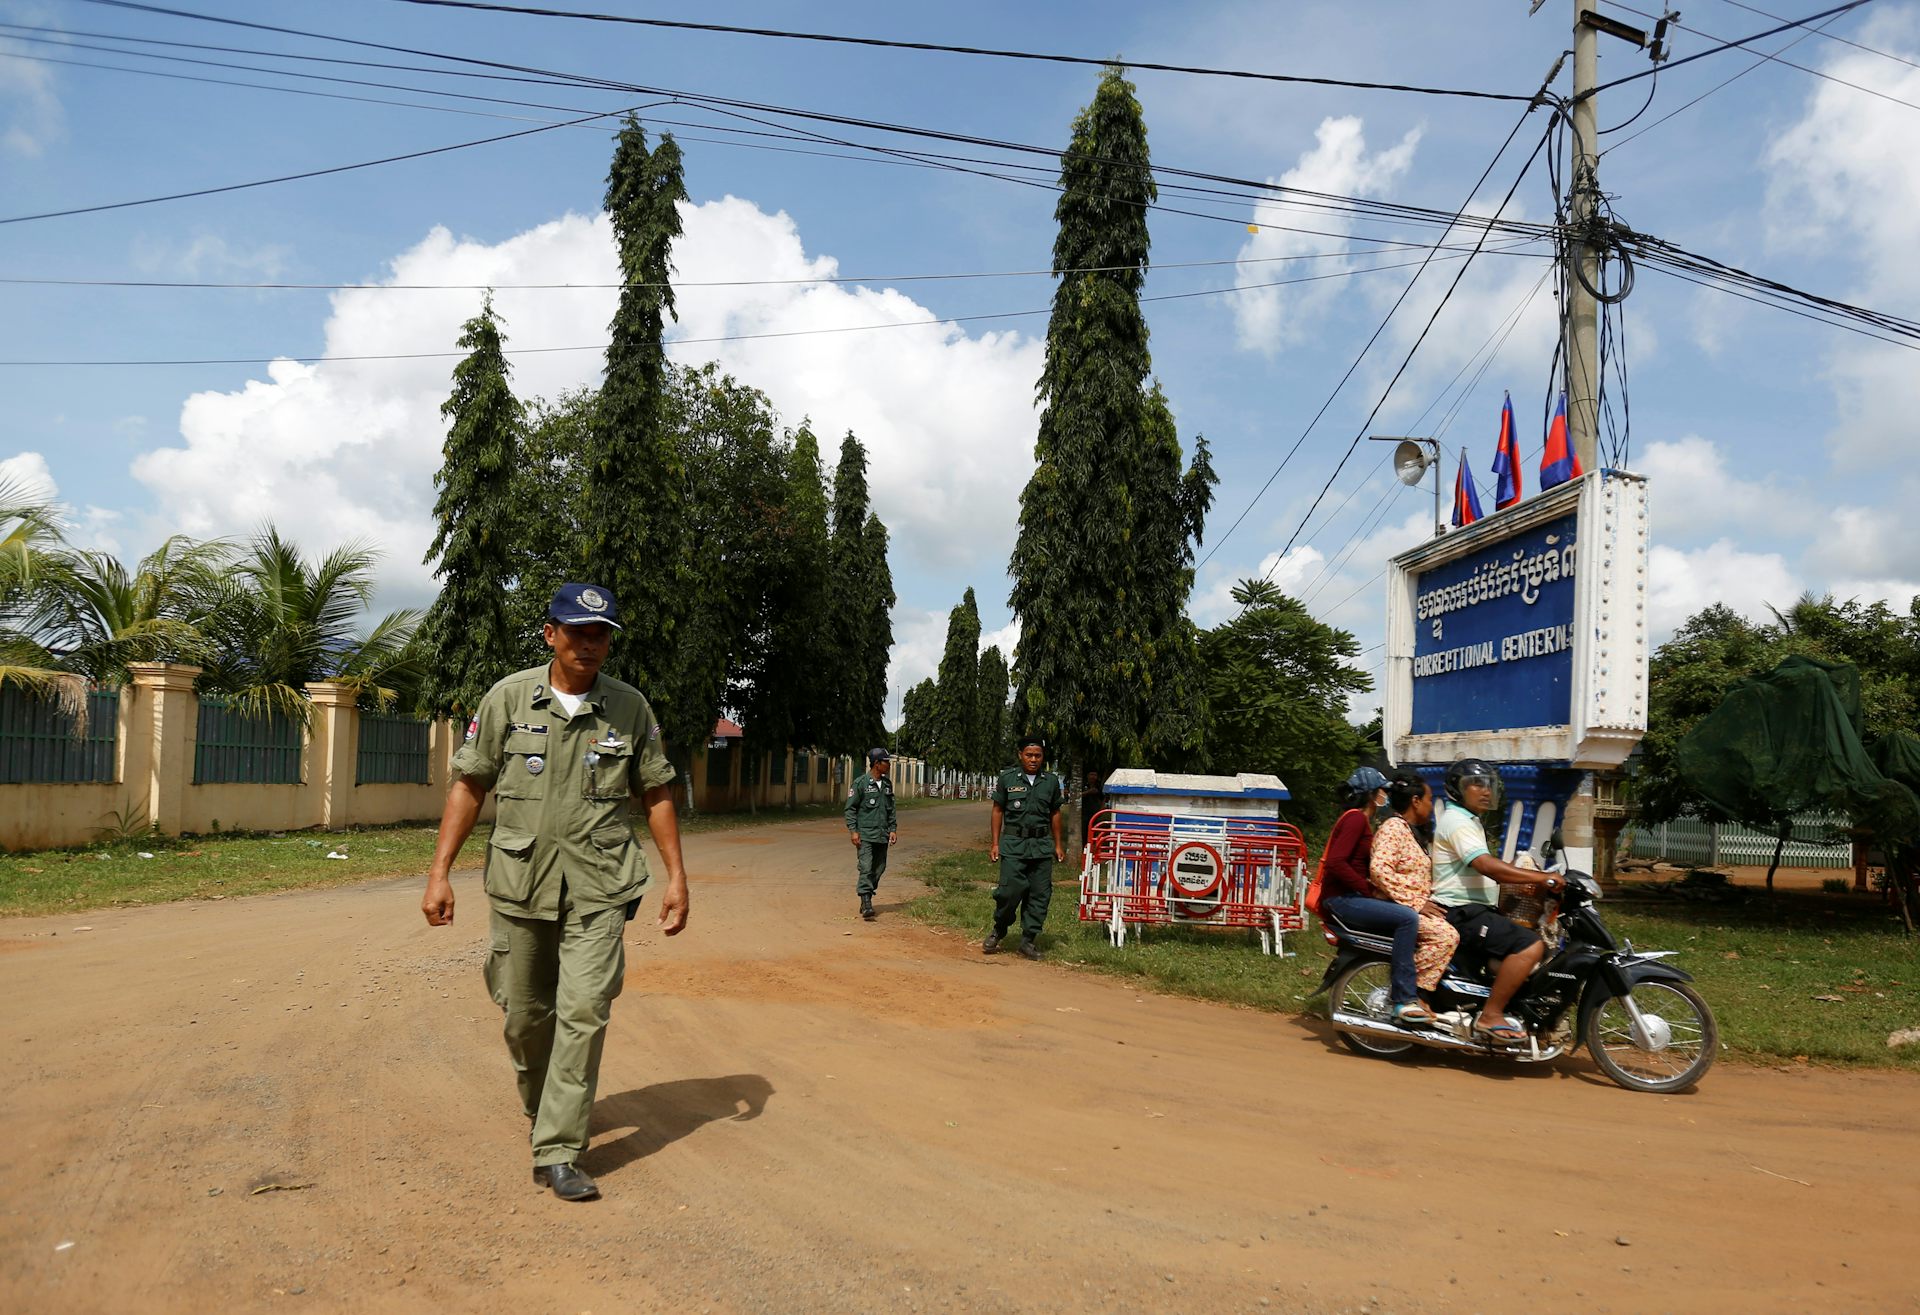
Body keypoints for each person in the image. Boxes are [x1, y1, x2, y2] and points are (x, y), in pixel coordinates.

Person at [419, 583, 690, 1203]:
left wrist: (677, 877)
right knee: (524, 1017)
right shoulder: (508, 698)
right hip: (521, 883)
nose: (589, 644)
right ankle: (543, 1108)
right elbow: (470, 785)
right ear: (550, 634)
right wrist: (440, 871)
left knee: (585, 1008)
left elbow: (655, 793)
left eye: (601, 635)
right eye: (577, 632)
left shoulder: (630, 708)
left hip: (600, 884)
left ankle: (560, 1150)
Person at [1428, 758, 1564, 1045]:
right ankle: (1491, 1015)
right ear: (1457, 789)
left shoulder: (1469, 820)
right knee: (1530, 946)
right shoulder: (1457, 822)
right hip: (1463, 912)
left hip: (1475, 909)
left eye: (1488, 785)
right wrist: (1542, 879)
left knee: (1516, 942)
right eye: (1476, 784)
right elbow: (1485, 865)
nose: (1485, 791)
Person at [1318, 767, 1435, 1026]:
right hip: (1342, 899)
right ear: (1372, 794)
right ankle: (1404, 999)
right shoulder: (1356, 819)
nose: (1386, 796)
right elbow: (1336, 863)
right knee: (1407, 917)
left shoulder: (1364, 821)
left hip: (1350, 897)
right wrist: (1367, 889)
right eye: (1382, 791)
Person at [1368, 772, 1460, 1007]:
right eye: (1429, 800)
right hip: (1398, 907)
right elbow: (1379, 869)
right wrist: (1415, 902)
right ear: (1416, 801)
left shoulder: (1411, 831)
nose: (1431, 806)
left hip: (1414, 905)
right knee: (1446, 937)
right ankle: (1411, 994)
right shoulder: (1393, 828)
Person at [985, 735, 1067, 960]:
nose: (1033, 759)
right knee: (1009, 891)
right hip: (1014, 845)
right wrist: (995, 843)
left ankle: (1028, 940)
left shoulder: (1051, 782)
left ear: (1042, 757)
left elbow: (1055, 813)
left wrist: (1058, 845)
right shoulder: (1007, 778)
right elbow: (997, 810)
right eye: (1029, 755)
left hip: (1041, 846)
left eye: (1037, 755)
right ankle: (999, 929)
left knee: (1039, 894)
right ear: (1020, 755)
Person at [845, 747, 897, 920]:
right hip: (865, 835)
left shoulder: (887, 784)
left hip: (882, 834)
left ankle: (866, 893)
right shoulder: (860, 783)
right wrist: (853, 831)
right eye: (886, 762)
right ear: (876, 764)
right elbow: (850, 809)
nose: (889, 765)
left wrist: (893, 829)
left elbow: (891, 810)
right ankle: (866, 901)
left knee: (879, 867)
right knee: (866, 867)